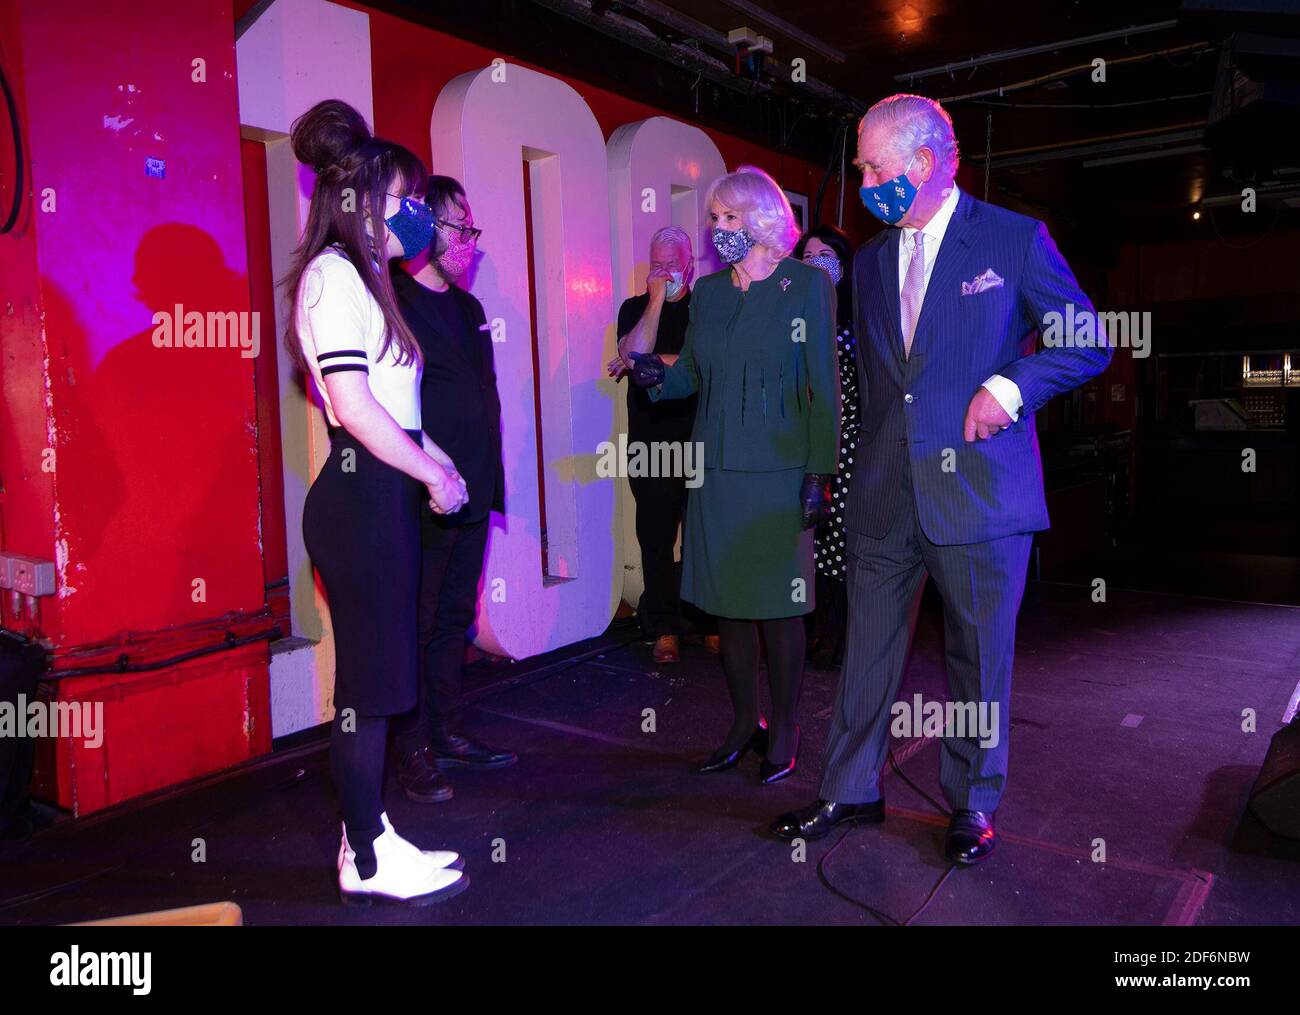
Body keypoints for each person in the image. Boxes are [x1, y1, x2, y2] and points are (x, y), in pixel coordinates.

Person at [771, 94, 1113, 863]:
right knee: (866, 652)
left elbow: (1087, 340)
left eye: (872, 164)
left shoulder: (1014, 239)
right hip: (888, 493)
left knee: (978, 659)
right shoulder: (867, 261)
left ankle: (972, 802)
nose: (861, 178)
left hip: (981, 496)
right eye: (861, 165)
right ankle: (849, 789)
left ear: (923, 163)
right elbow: (888, 382)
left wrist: (1012, 387)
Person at [285, 100, 470, 904]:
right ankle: (364, 861)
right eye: (408, 198)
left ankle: (371, 835)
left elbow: (397, 410)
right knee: (365, 689)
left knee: (384, 682)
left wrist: (438, 461)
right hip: (360, 503)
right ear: (363, 201)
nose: (421, 214)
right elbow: (356, 410)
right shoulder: (330, 275)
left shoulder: (369, 281)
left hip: (383, 498)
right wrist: (429, 474)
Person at [629, 165, 840, 784]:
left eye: (730, 218)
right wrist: (658, 379)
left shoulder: (806, 286)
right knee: (729, 607)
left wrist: (817, 473)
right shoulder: (714, 295)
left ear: (763, 220)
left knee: (779, 606)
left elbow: (823, 387)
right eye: (714, 219)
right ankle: (746, 722)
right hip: (716, 470)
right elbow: (693, 372)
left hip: (780, 472)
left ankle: (788, 725)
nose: (719, 229)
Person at [389, 175, 516, 802]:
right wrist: (434, 476)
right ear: (426, 228)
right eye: (458, 227)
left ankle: (446, 730)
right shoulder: (397, 301)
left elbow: (483, 400)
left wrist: (492, 484)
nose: (469, 240)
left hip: (473, 491)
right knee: (415, 621)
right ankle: (408, 747)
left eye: (471, 229)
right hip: (425, 495)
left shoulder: (469, 310)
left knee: (453, 618)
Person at [607, 227, 719, 663]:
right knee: (654, 536)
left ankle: (710, 623)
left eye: (672, 264)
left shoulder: (707, 307)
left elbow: (707, 365)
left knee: (702, 535)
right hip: (650, 442)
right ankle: (665, 629)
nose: (665, 272)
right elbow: (634, 357)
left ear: (689, 264)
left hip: (701, 439)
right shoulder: (635, 308)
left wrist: (649, 359)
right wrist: (654, 300)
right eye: (657, 264)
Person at [793, 224, 859, 669]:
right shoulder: (792, 317)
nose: (816, 262)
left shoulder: (858, 320)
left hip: (848, 445)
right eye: (808, 255)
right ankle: (813, 635)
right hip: (799, 444)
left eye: (826, 255)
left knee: (839, 543)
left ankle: (846, 639)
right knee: (807, 546)